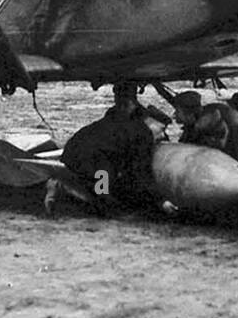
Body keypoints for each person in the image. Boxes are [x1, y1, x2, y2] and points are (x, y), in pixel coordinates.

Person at [46, 83, 174, 217]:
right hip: (96, 161)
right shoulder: (143, 133)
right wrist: (160, 200)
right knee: (104, 201)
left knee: (97, 185)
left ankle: (64, 184)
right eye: (161, 130)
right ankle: (61, 187)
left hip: (72, 151)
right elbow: (140, 171)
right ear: (149, 122)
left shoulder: (118, 119)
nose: (162, 136)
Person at [172, 89, 238, 165]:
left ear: (189, 115)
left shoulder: (206, 125)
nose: (174, 115)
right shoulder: (212, 111)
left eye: (178, 112)